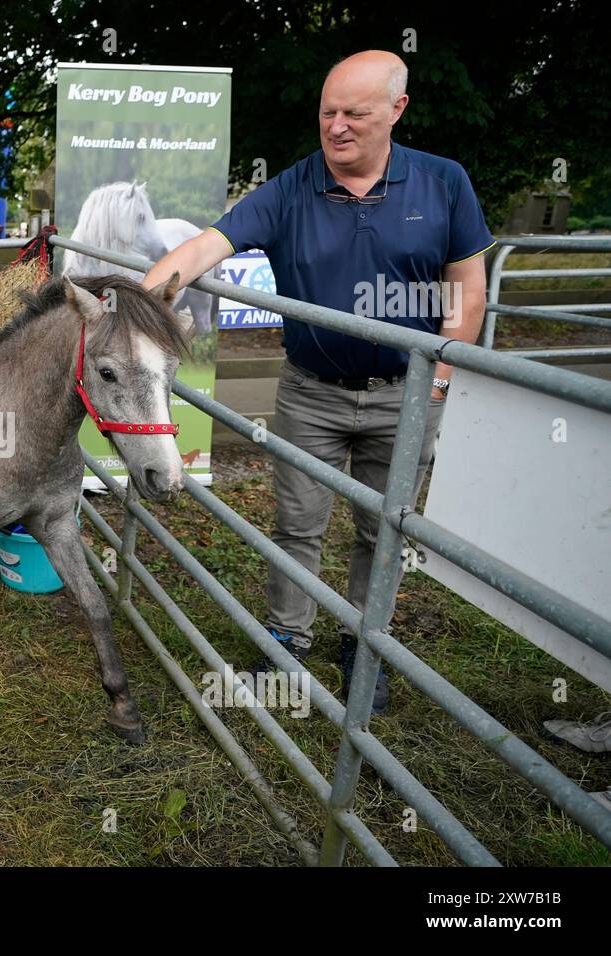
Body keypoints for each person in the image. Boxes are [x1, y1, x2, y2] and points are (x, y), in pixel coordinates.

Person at [143, 50, 494, 714]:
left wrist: (439, 386)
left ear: (396, 110)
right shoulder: (290, 189)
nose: (336, 127)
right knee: (298, 523)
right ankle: (285, 643)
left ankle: (365, 643)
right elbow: (202, 249)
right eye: (327, 112)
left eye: (355, 114)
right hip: (312, 392)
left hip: (408, 394)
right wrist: (135, 301)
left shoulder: (444, 183)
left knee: (383, 528)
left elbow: (467, 293)